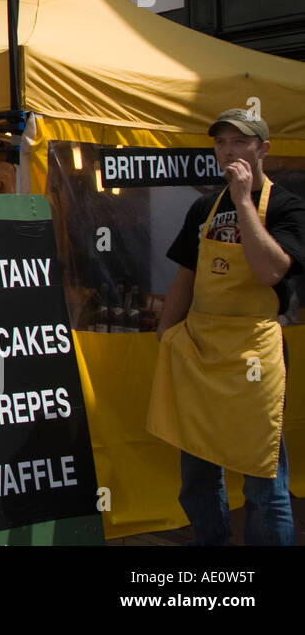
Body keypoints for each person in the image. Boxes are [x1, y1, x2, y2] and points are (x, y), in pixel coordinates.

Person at [148, 108, 305, 545]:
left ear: (263, 149)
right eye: (221, 142)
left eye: (240, 141)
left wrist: (242, 201)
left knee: (262, 475)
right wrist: (167, 332)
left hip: (253, 351)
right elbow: (187, 274)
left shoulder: (290, 207)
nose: (228, 151)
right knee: (196, 470)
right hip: (199, 348)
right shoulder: (202, 207)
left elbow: (271, 271)